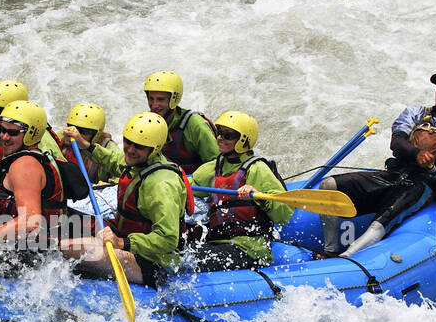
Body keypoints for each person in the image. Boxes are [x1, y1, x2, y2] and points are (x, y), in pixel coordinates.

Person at [317, 67, 436, 257]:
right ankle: (330, 251)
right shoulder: (416, 113)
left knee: (381, 221)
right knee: (328, 185)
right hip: (394, 175)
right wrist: (417, 153)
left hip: (425, 187)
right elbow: (396, 142)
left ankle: (346, 257)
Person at [60, 112, 194, 287]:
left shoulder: (161, 185)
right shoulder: (141, 163)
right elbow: (116, 161)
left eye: (138, 146)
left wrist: (122, 242)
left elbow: (168, 239)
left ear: (154, 149)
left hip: (152, 262)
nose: (130, 149)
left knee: (75, 248)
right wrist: (86, 146)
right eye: (127, 142)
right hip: (124, 235)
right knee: (64, 221)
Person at [188, 111, 294, 271]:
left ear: (243, 140)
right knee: (180, 256)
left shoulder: (257, 169)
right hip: (218, 243)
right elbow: (188, 186)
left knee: (188, 261)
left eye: (227, 135)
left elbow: (284, 213)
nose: (219, 138)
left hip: (250, 250)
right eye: (219, 133)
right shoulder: (215, 167)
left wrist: (258, 196)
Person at [0, 100, 68, 248]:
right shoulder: (25, 160)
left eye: (12, 133)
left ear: (31, 135)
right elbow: (2, 202)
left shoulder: (25, 165)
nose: (4, 137)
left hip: (29, 253)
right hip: (18, 246)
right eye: (2, 131)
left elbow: (31, 223)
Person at [142, 71, 219, 175]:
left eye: (160, 99)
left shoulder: (196, 125)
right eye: (151, 99)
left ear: (174, 99)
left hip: (191, 185)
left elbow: (216, 165)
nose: (154, 105)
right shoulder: (146, 122)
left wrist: (189, 182)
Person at [52, 102, 111, 184]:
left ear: (96, 134)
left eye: (83, 131)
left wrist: (110, 183)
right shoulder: (60, 137)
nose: (75, 134)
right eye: (72, 128)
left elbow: (122, 169)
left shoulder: (107, 147)